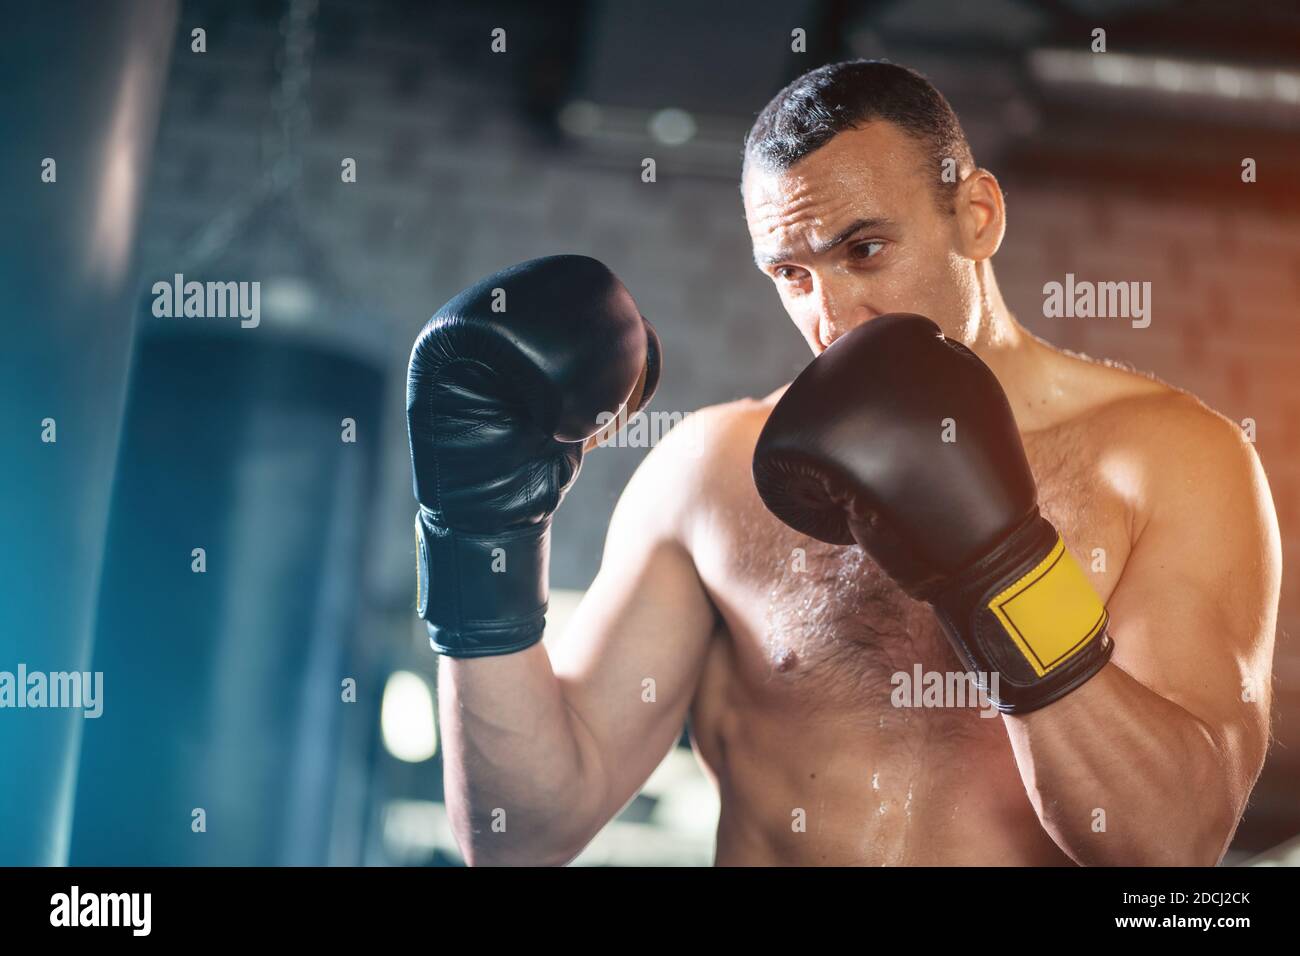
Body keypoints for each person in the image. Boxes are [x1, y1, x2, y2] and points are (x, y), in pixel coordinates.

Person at [408, 61, 1279, 866]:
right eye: (791, 273)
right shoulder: (708, 474)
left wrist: (1000, 564)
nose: (834, 316)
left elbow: (1169, 845)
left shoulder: (1171, 460)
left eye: (865, 251)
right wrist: (480, 530)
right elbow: (518, 834)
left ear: (977, 216)